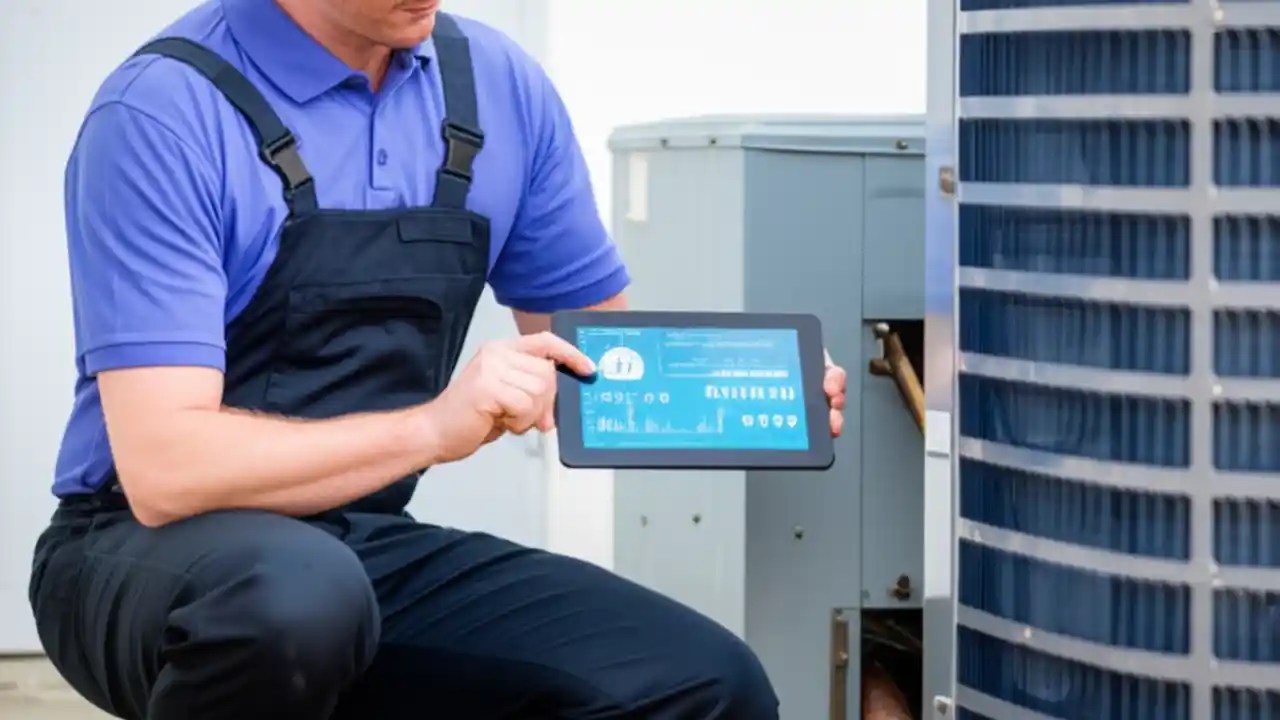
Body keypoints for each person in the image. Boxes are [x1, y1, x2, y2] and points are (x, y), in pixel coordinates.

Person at [27, 1, 849, 718]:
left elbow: (597, 364)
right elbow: (167, 470)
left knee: (703, 684)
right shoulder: (163, 112)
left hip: (359, 547)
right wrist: (434, 427)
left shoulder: (495, 83)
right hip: (137, 552)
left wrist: (751, 390)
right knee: (296, 600)